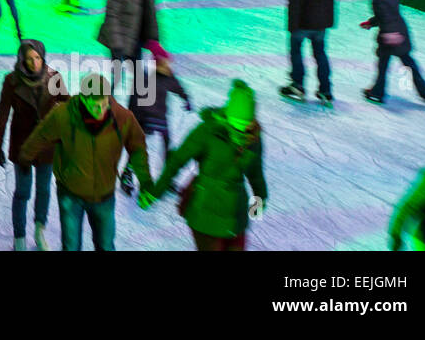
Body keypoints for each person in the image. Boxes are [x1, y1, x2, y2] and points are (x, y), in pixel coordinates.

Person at [19, 73, 154, 251]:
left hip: (104, 196)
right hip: (70, 194)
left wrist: (145, 181)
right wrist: (25, 158)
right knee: (71, 246)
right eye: (94, 106)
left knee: (105, 246)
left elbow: (137, 149)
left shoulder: (123, 118)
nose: (100, 111)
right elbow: (41, 136)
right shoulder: (64, 115)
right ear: (83, 99)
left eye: (104, 104)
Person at [152, 80, 266, 251]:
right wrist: (156, 191)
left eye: (246, 125)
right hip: (205, 216)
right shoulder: (207, 132)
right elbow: (177, 160)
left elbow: (255, 173)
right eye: (238, 124)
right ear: (228, 116)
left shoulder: (253, 139)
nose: (242, 131)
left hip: (236, 217)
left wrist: (259, 201)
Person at [0, 40, 68, 251]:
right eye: (29, 58)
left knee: (43, 189)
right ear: (22, 59)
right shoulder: (12, 81)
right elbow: (3, 115)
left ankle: (39, 231)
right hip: (23, 144)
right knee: (23, 192)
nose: (34, 63)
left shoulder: (54, 77)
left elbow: (68, 106)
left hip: (46, 145)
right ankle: (19, 238)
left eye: (37, 58)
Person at [120, 46, 192, 195]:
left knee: (166, 146)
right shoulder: (145, 78)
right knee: (138, 149)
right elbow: (134, 100)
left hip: (160, 118)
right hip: (144, 118)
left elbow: (178, 88)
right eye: (165, 63)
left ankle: (167, 179)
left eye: (168, 63)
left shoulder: (168, 78)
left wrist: (186, 99)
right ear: (158, 64)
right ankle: (126, 175)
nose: (168, 65)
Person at [98, 0, 165, 94]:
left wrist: (153, 40)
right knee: (117, 77)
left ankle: (137, 111)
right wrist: (116, 44)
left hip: (136, 39)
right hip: (120, 39)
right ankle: (107, 106)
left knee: (139, 78)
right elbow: (112, 15)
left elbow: (150, 13)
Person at [360, 0, 425, 104]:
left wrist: (390, 34)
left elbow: (386, 17)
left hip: (390, 35)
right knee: (408, 63)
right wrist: (370, 22)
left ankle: (378, 92)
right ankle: (423, 90)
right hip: (401, 32)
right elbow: (386, 15)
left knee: (383, 64)